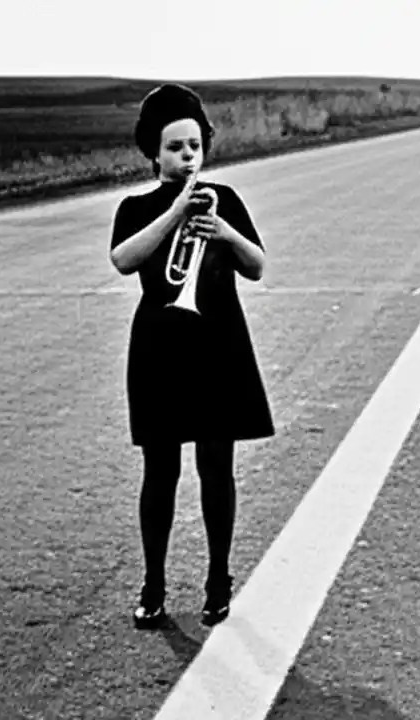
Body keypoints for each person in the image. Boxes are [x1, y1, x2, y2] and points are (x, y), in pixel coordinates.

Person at [109, 83, 275, 629]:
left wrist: (223, 230)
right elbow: (123, 260)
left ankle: (217, 581)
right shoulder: (135, 207)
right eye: (175, 147)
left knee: (216, 469)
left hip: (217, 345)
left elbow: (256, 266)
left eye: (194, 145)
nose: (187, 155)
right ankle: (153, 584)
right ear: (154, 154)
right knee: (160, 471)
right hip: (160, 347)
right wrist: (175, 211)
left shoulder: (223, 200)